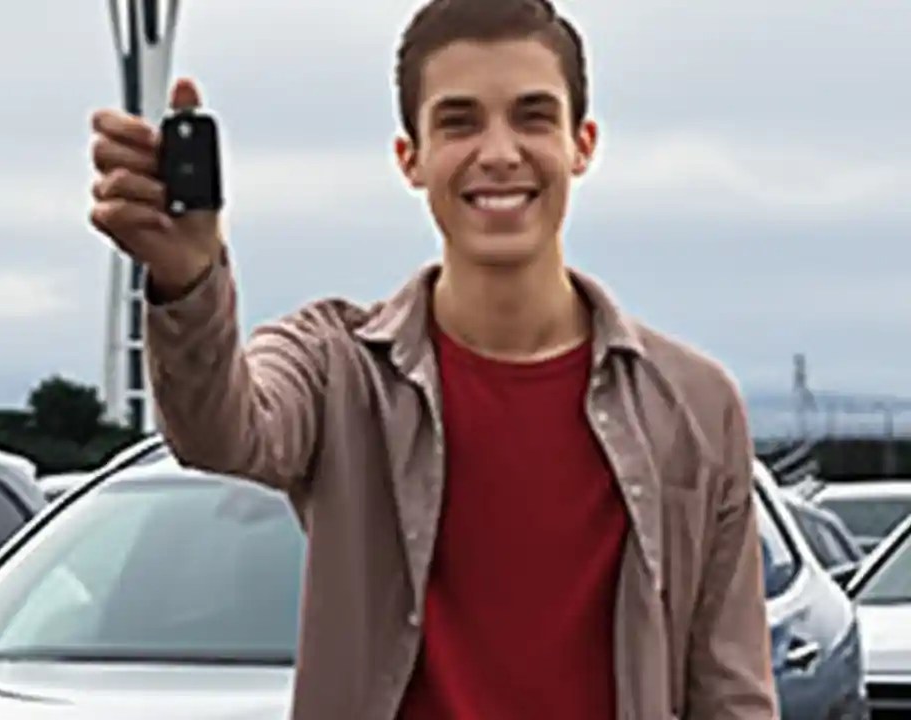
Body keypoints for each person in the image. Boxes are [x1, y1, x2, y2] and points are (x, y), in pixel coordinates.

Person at [87, 0, 777, 718]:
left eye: (533, 116)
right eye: (459, 121)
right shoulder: (336, 369)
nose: (500, 151)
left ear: (583, 143)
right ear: (409, 158)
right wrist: (190, 282)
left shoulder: (693, 405)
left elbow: (731, 694)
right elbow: (220, 430)